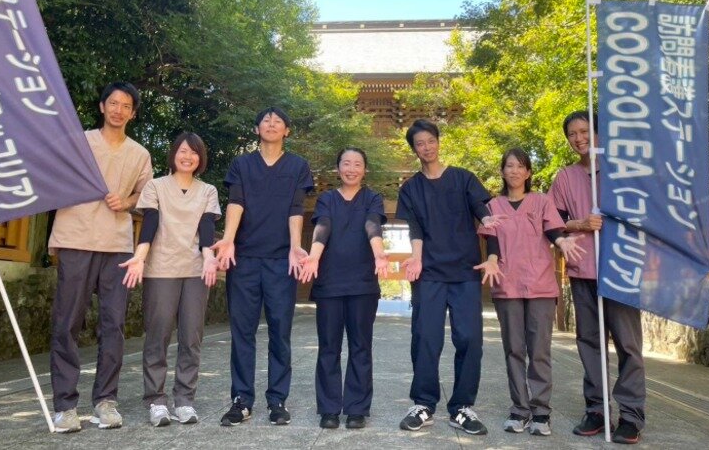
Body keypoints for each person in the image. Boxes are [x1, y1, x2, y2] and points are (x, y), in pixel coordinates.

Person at [0, 82, 151, 433]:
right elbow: (32, 163)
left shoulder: (140, 154)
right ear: (102, 106)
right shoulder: (78, 142)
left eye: (126, 105)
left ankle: (106, 402)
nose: (118, 110)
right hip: (74, 238)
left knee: (114, 325)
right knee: (66, 323)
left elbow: (143, 195)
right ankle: (65, 406)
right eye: (113, 103)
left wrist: (127, 202)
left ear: (132, 113)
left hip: (117, 246)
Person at [395, 119, 504, 436]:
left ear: (438, 142)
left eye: (430, 141)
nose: (426, 147)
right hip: (429, 274)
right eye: (420, 143)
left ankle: (462, 407)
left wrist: (487, 221)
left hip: (465, 272)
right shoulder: (410, 188)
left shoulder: (462, 178)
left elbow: (481, 210)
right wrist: (416, 257)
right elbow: (415, 228)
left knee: (469, 339)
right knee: (426, 338)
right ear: (414, 149)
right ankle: (423, 404)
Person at [548, 111, 646, 444]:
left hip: (620, 269)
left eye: (584, 131)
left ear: (599, 133)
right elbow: (552, 221)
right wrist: (580, 224)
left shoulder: (623, 171)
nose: (579, 139)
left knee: (628, 344)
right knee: (590, 342)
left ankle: (631, 415)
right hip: (583, 269)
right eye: (572, 134)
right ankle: (597, 409)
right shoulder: (565, 177)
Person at [213, 107, 314, 427]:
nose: (271, 124)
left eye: (278, 121)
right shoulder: (242, 164)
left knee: (280, 332)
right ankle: (241, 400)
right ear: (257, 129)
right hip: (244, 260)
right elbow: (236, 202)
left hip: (281, 261)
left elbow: (296, 208)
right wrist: (229, 240)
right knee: (242, 332)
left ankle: (277, 400)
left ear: (287, 131)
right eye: (266, 121)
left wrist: (295, 246)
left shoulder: (297, 166)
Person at [476, 147, 584, 437]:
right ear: (502, 171)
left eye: (520, 166)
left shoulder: (541, 201)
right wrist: (492, 259)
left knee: (539, 351)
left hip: (540, 285)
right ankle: (519, 409)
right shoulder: (493, 205)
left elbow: (553, 231)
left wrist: (562, 242)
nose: (514, 171)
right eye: (509, 166)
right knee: (513, 349)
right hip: (507, 283)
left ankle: (541, 411)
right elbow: (492, 241)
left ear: (528, 172)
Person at [118, 132, 221, 427]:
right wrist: (140, 256)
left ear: (201, 158)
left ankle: (185, 400)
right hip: (161, 268)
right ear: (174, 154)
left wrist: (209, 257)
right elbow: (150, 222)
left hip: (195, 271)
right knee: (158, 334)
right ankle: (156, 400)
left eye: (194, 152)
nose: (188, 156)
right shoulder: (156, 186)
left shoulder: (208, 191)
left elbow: (206, 228)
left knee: (191, 336)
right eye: (182, 151)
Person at [299, 148, 389, 430]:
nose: (351, 169)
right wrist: (314, 256)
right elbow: (323, 226)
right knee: (329, 347)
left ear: (364, 169)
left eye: (357, 164)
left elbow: (372, 224)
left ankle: (356, 409)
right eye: (346, 164)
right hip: (330, 283)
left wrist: (379, 254)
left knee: (361, 346)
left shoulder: (372, 198)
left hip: (363, 284)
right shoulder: (327, 199)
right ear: (338, 169)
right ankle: (329, 409)